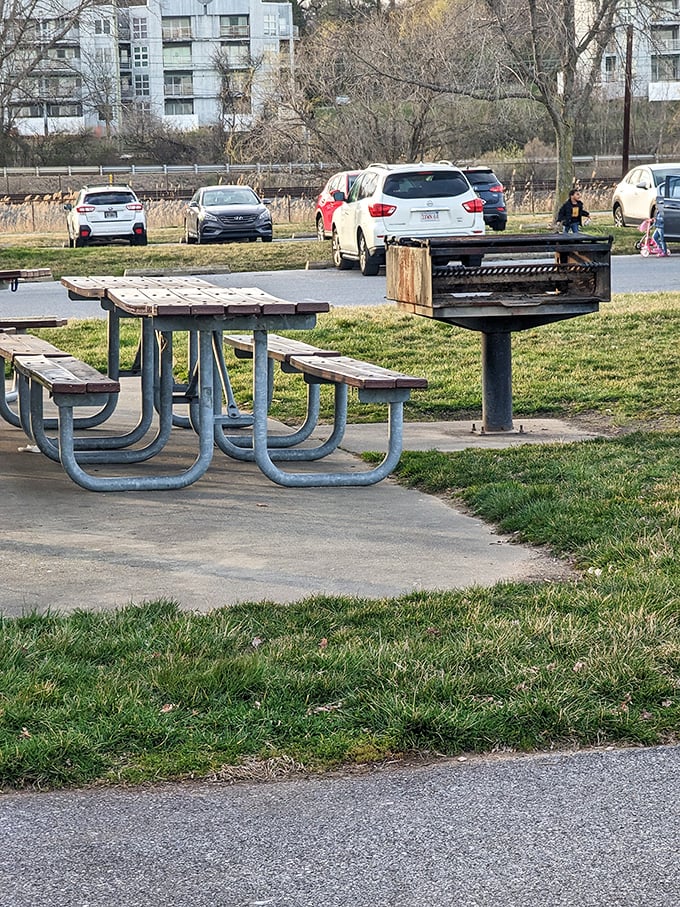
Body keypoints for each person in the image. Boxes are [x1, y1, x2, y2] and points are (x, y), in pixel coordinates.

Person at [652, 190, 670, 256]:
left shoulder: (662, 211)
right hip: (658, 226)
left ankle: (664, 251)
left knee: (662, 239)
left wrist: (657, 220)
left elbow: (663, 219)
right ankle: (660, 248)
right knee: (654, 237)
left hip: (661, 226)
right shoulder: (658, 212)